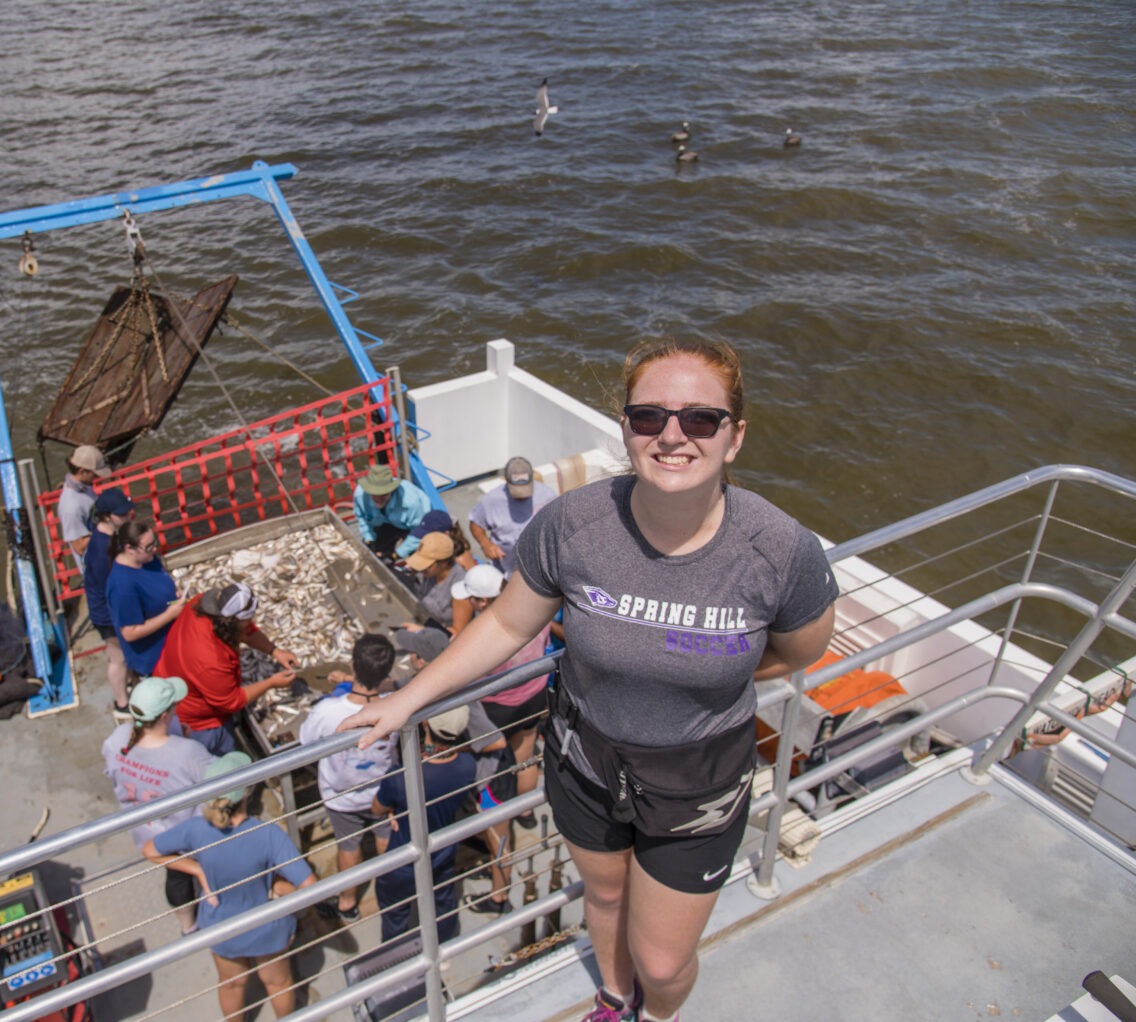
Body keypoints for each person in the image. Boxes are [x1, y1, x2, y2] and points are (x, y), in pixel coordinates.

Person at [343, 338, 838, 1022]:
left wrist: (693, 675)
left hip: (698, 777)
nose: (672, 435)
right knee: (604, 899)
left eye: (699, 419)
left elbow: (797, 649)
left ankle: (655, 1011)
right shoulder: (573, 525)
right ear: (626, 429)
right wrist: (405, 699)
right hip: (584, 757)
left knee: (664, 962)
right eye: (649, 418)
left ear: (735, 436)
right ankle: (612, 997)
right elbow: (508, 626)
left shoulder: (780, 552)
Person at [144, 752, 317, 1022]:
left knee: (231, 984)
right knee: (279, 983)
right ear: (248, 792)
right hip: (266, 926)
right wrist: (281, 890)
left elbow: (150, 850)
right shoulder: (267, 834)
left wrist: (198, 869)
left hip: (220, 926)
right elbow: (311, 887)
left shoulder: (194, 829)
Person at [394, 628, 514, 915]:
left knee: (500, 840)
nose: (410, 657)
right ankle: (489, 861)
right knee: (488, 835)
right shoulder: (433, 680)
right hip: (478, 773)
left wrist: (442, 752)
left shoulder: (462, 697)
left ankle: (500, 899)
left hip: (493, 777)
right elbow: (402, 686)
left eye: (414, 653)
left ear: (423, 661)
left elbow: (496, 740)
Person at [297, 633, 398, 921]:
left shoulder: (328, 710)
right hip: (382, 789)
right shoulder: (394, 703)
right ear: (387, 672)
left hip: (342, 796)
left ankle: (347, 904)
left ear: (353, 666)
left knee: (349, 845)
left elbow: (306, 741)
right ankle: (392, 891)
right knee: (385, 836)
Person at [103, 676, 215, 933]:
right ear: (166, 715)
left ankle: (187, 927)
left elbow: (113, 772)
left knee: (176, 877)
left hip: (147, 833)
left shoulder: (117, 739)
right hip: (187, 835)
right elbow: (222, 783)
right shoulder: (187, 753)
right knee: (194, 872)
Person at [370, 705, 477, 944]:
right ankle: (444, 947)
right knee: (444, 902)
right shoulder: (468, 766)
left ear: (426, 724)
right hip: (442, 849)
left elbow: (376, 808)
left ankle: (396, 957)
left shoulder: (401, 775)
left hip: (403, 858)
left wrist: (393, 810)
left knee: (395, 913)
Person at [155, 582, 301, 756]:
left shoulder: (201, 603)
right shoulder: (211, 660)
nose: (251, 622)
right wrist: (270, 683)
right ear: (234, 622)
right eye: (249, 618)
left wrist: (274, 650)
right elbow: (231, 701)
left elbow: (245, 630)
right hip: (196, 722)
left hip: (167, 676)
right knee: (218, 763)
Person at [460, 563, 551, 817]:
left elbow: (468, 675)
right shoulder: (533, 614)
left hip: (498, 707)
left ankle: (498, 814)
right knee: (526, 752)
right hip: (534, 694)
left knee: (493, 763)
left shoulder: (482, 635)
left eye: (472, 599)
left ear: (481, 602)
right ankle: (526, 812)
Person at [107, 519, 184, 692]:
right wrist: (170, 615)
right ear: (129, 549)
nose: (154, 549)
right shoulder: (122, 586)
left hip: (172, 645)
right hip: (154, 659)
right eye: (148, 547)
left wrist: (174, 593)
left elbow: (161, 579)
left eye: (154, 543)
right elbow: (130, 632)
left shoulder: (148, 559)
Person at [84, 488, 137, 715]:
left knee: (125, 654)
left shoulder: (108, 535)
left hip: (109, 608)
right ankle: (121, 703)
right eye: (122, 515)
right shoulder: (100, 550)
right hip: (106, 613)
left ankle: (133, 685)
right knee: (118, 659)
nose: (128, 517)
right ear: (107, 516)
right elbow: (113, 586)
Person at [470, 455, 557, 577]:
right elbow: (475, 523)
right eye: (516, 490)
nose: (521, 495)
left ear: (532, 478)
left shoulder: (548, 495)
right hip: (505, 562)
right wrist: (486, 544)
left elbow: (557, 525)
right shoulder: (490, 500)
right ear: (506, 480)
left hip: (537, 561)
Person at [352, 464, 432, 562]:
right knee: (376, 555)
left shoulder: (411, 502)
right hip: (384, 521)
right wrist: (368, 538)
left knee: (419, 560)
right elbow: (362, 518)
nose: (378, 498)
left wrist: (397, 554)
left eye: (383, 494)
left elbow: (418, 531)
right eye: (374, 493)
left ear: (392, 489)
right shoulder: (360, 495)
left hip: (414, 523)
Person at [57, 444, 113, 569]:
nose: (98, 477)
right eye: (95, 474)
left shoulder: (84, 487)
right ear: (83, 471)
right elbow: (79, 547)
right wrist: (108, 528)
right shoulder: (71, 508)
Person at [403, 531, 466, 632]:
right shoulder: (427, 573)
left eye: (426, 565)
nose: (421, 568)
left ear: (444, 563)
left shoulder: (460, 586)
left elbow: (458, 632)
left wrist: (422, 631)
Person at [412, 509, 478, 571]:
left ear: (446, 534)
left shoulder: (460, 561)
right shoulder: (434, 552)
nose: (425, 539)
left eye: (429, 536)